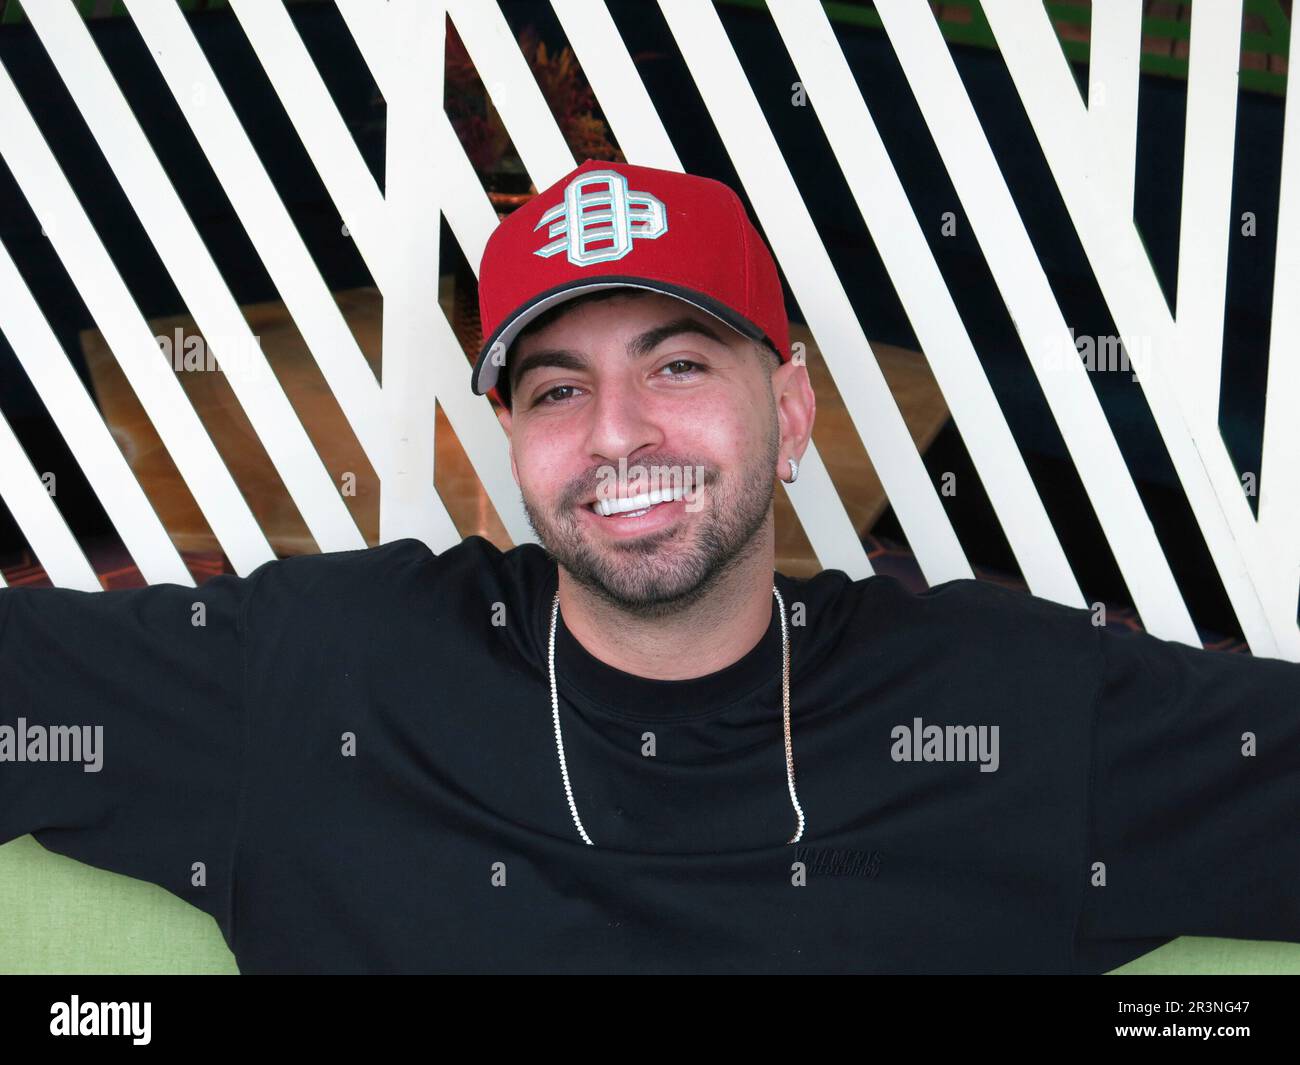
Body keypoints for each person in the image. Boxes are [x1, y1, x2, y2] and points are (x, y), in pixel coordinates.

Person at [1, 159, 1297, 975]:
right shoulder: (328, 670)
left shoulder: (999, 704)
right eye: (560, 388)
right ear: (514, 438)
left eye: (677, 363)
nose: (618, 434)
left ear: (789, 410)